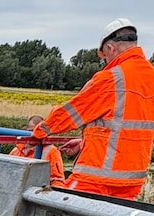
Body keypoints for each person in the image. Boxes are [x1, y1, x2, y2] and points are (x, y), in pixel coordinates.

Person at [31, 18, 154, 201]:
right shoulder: (150, 76)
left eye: (104, 56)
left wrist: (39, 130)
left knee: (59, 211)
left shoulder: (112, 78)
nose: (105, 61)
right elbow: (127, 128)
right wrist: (84, 143)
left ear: (111, 48)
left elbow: (72, 112)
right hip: (131, 180)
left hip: (97, 178)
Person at [11, 115, 66, 186]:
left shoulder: (52, 151)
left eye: (37, 131)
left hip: (39, 191)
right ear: (26, 129)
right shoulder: (17, 150)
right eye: (30, 131)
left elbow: (57, 181)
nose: (34, 135)